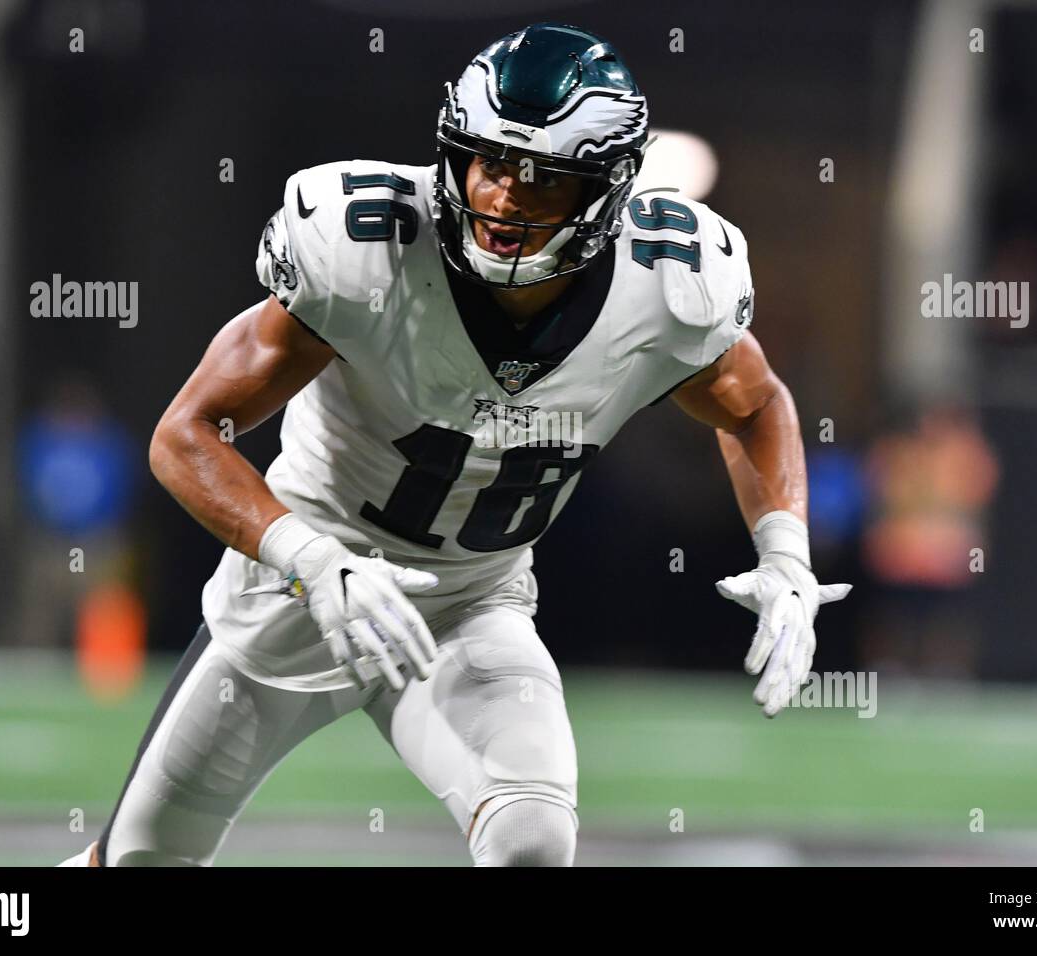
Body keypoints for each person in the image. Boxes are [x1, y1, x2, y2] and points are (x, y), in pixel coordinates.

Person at [61, 22, 849, 868]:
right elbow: (185, 435)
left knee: (533, 841)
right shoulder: (366, 250)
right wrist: (308, 557)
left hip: (470, 604)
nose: (507, 195)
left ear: (606, 191)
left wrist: (786, 553)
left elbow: (754, 405)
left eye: (545, 178)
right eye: (493, 161)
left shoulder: (672, 285)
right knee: (141, 865)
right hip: (299, 592)